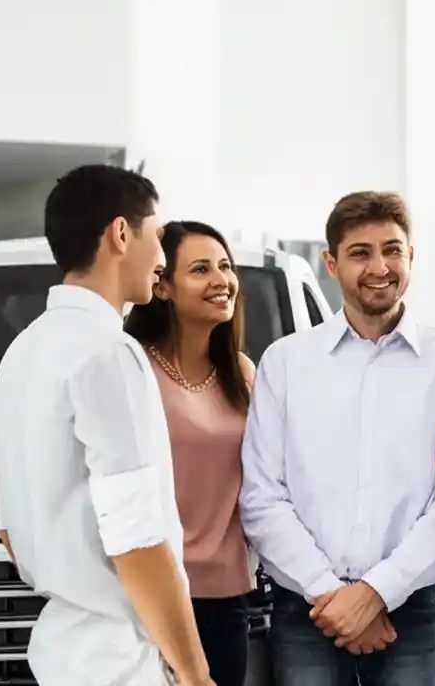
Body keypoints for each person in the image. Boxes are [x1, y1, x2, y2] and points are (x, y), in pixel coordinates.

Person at [0, 165, 212, 685]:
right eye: (157, 235)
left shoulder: (23, 349)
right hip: (122, 659)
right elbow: (136, 539)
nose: (162, 258)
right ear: (120, 234)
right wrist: (194, 672)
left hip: (63, 653)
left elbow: (8, 529)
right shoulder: (109, 351)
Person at [239, 191, 435, 686]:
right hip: (307, 607)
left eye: (392, 250)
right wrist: (331, 594)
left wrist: (376, 592)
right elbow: (262, 497)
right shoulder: (286, 363)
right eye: (360, 253)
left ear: (412, 255)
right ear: (332, 263)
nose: (379, 267)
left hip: (410, 608)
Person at [124, 220, 257, 686]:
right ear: (162, 285)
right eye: (201, 269)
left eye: (225, 266)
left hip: (227, 597)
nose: (221, 280)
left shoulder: (241, 373)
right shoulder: (135, 370)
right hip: (154, 599)